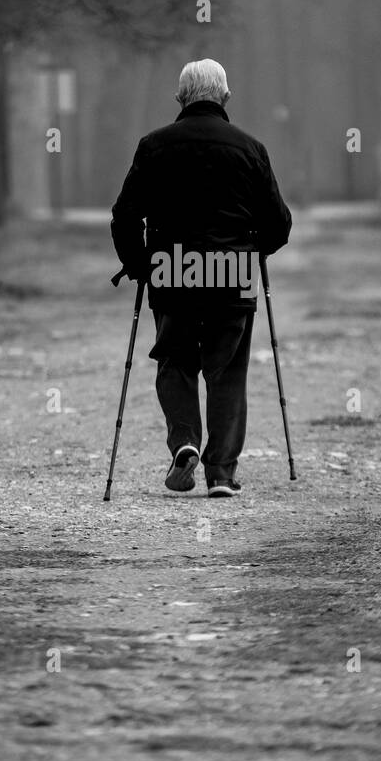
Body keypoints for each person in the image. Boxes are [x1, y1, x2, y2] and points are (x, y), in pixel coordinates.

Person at [110, 59, 292, 497]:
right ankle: (222, 473)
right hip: (234, 274)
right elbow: (278, 224)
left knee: (176, 362)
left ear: (180, 98)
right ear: (225, 97)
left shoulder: (154, 146)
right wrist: (252, 250)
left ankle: (185, 442)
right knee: (227, 372)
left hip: (172, 272)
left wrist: (140, 264)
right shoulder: (251, 148)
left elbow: (125, 216)